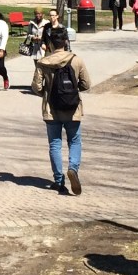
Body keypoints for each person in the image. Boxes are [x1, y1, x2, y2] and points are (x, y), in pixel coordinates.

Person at [35, 25, 90, 193]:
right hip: (72, 107)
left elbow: (36, 87)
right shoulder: (76, 60)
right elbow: (86, 84)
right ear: (65, 42)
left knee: (55, 144)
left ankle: (59, 180)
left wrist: (47, 90)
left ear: (50, 43)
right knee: (74, 141)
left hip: (52, 109)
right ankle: (73, 168)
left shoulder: (43, 63)